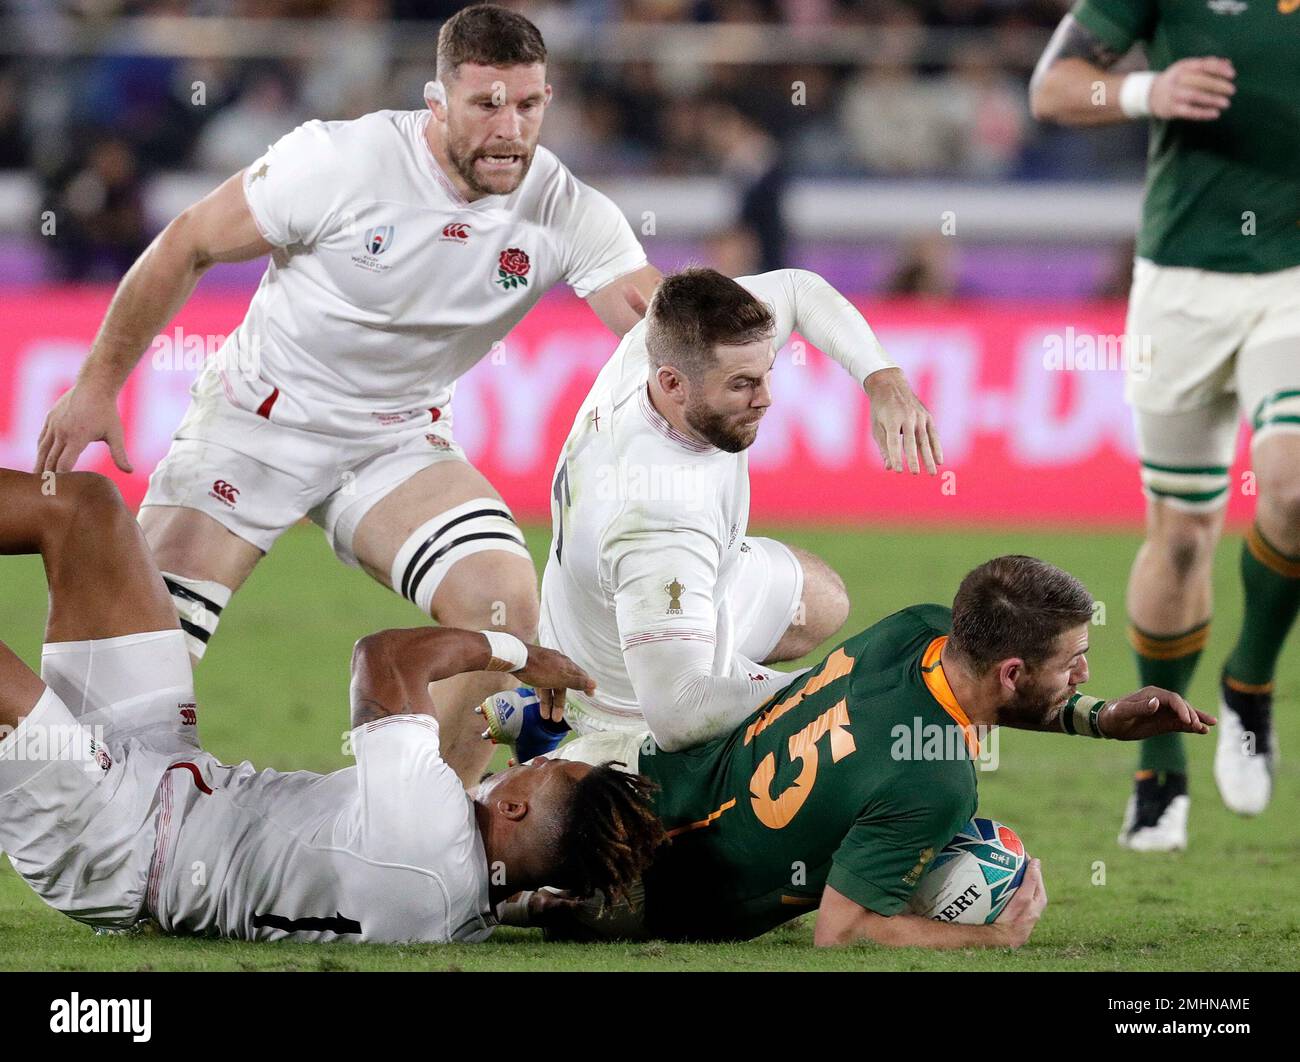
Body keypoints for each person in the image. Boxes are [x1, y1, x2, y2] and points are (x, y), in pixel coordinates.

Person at [34, 4, 661, 788]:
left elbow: (662, 328)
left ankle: (432, 829)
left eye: (529, 105)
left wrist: (784, 343)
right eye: (487, 104)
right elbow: (187, 242)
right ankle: (49, 798)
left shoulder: (562, 208)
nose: (510, 128)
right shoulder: (340, 162)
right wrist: (96, 384)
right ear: (438, 103)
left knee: (501, 604)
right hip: (257, 425)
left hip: (395, 442)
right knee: (135, 664)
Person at [0, 468, 664, 943]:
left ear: (515, 807)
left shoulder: (424, 838)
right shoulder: (465, 897)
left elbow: (384, 658)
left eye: (540, 770)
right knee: (84, 508)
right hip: (166, 767)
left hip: (113, 839)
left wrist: (518, 653)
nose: (521, 765)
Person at [526, 556, 1215, 947]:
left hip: (616, 772)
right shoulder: (936, 784)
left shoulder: (916, 630)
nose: (1084, 678)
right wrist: (993, 939)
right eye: (1075, 664)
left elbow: (1005, 692)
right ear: (1011, 670)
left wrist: (1101, 720)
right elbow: (843, 931)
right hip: (629, 884)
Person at [1030, 1, 1300, 849]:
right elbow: (1052, 90)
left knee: (1292, 490)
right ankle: (1161, 766)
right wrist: (1147, 88)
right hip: (1180, 283)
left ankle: (1250, 682)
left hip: (1292, 276)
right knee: (1183, 538)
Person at [483, 266, 940, 760]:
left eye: (767, 373)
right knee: (837, 760)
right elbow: (681, 714)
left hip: (619, 596)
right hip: (631, 697)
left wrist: (882, 377)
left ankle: (546, 700)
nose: (766, 398)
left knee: (822, 601)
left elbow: (797, 289)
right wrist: (846, 692)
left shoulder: (654, 346)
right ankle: (573, 731)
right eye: (742, 384)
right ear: (674, 383)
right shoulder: (658, 518)